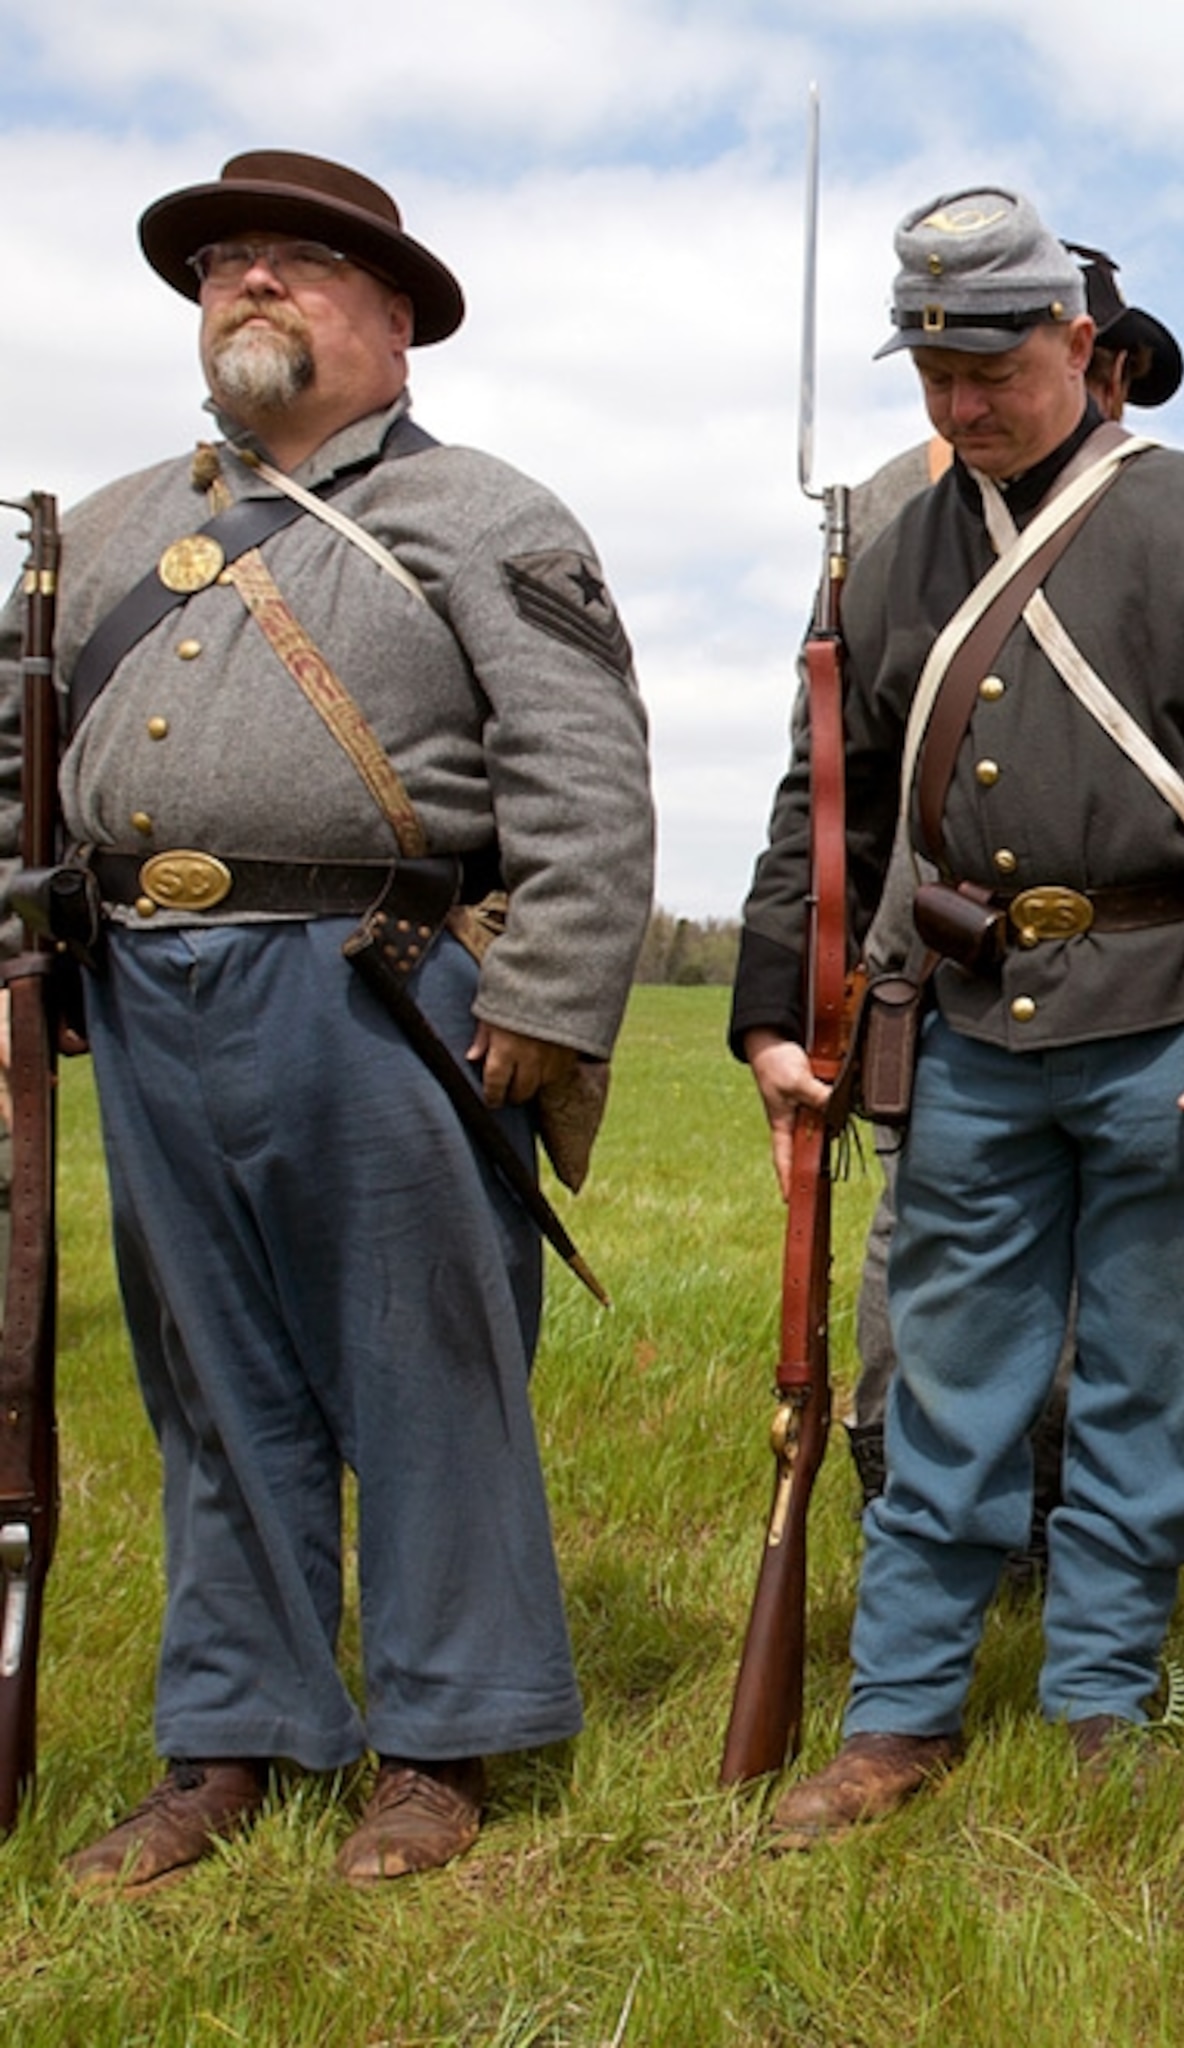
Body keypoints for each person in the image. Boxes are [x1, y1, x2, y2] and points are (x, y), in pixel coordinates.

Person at [0, 150, 654, 1889]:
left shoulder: (491, 515)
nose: (250, 289)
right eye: (225, 267)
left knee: (423, 1373)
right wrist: (31, 966)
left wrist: (549, 1000)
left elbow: (583, 780)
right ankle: (236, 1735)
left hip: (382, 985)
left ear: (394, 320)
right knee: (209, 1387)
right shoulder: (114, 526)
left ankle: (443, 1740)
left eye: (296, 265)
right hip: (144, 994)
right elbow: (14, 764)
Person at [732, 183, 1184, 1839]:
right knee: (946, 1381)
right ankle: (902, 1712)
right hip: (972, 1023)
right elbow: (829, 798)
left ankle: (1101, 1700)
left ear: (1082, 345)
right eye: (931, 372)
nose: (959, 404)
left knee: (1152, 1377)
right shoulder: (887, 543)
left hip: (1171, 1020)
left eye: (991, 366)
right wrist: (783, 1003)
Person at [832, 242, 1184, 1533]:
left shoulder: (1162, 518)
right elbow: (845, 762)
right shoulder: (900, 513)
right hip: (939, 945)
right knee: (930, 1240)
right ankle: (921, 1475)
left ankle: (1043, 1505)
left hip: (1116, 959)